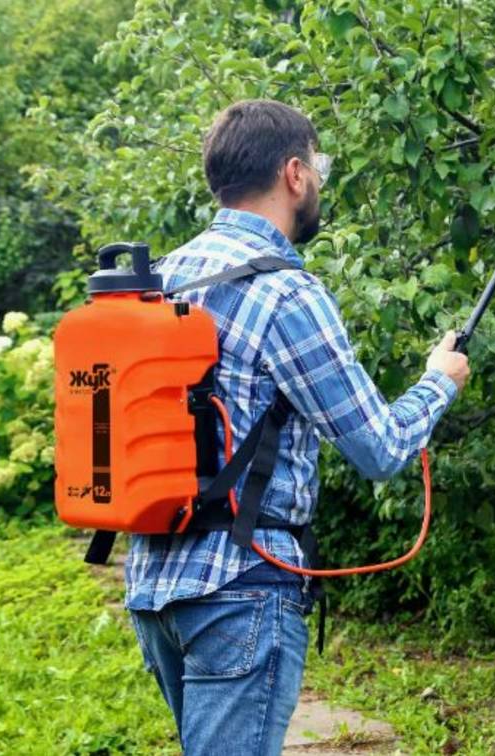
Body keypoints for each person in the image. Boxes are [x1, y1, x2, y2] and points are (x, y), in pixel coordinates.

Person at [124, 99, 470, 755]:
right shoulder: (287, 293)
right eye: (318, 166)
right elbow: (379, 448)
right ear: (294, 174)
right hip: (242, 588)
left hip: (154, 585)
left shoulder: (159, 279)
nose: (318, 180)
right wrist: (439, 382)